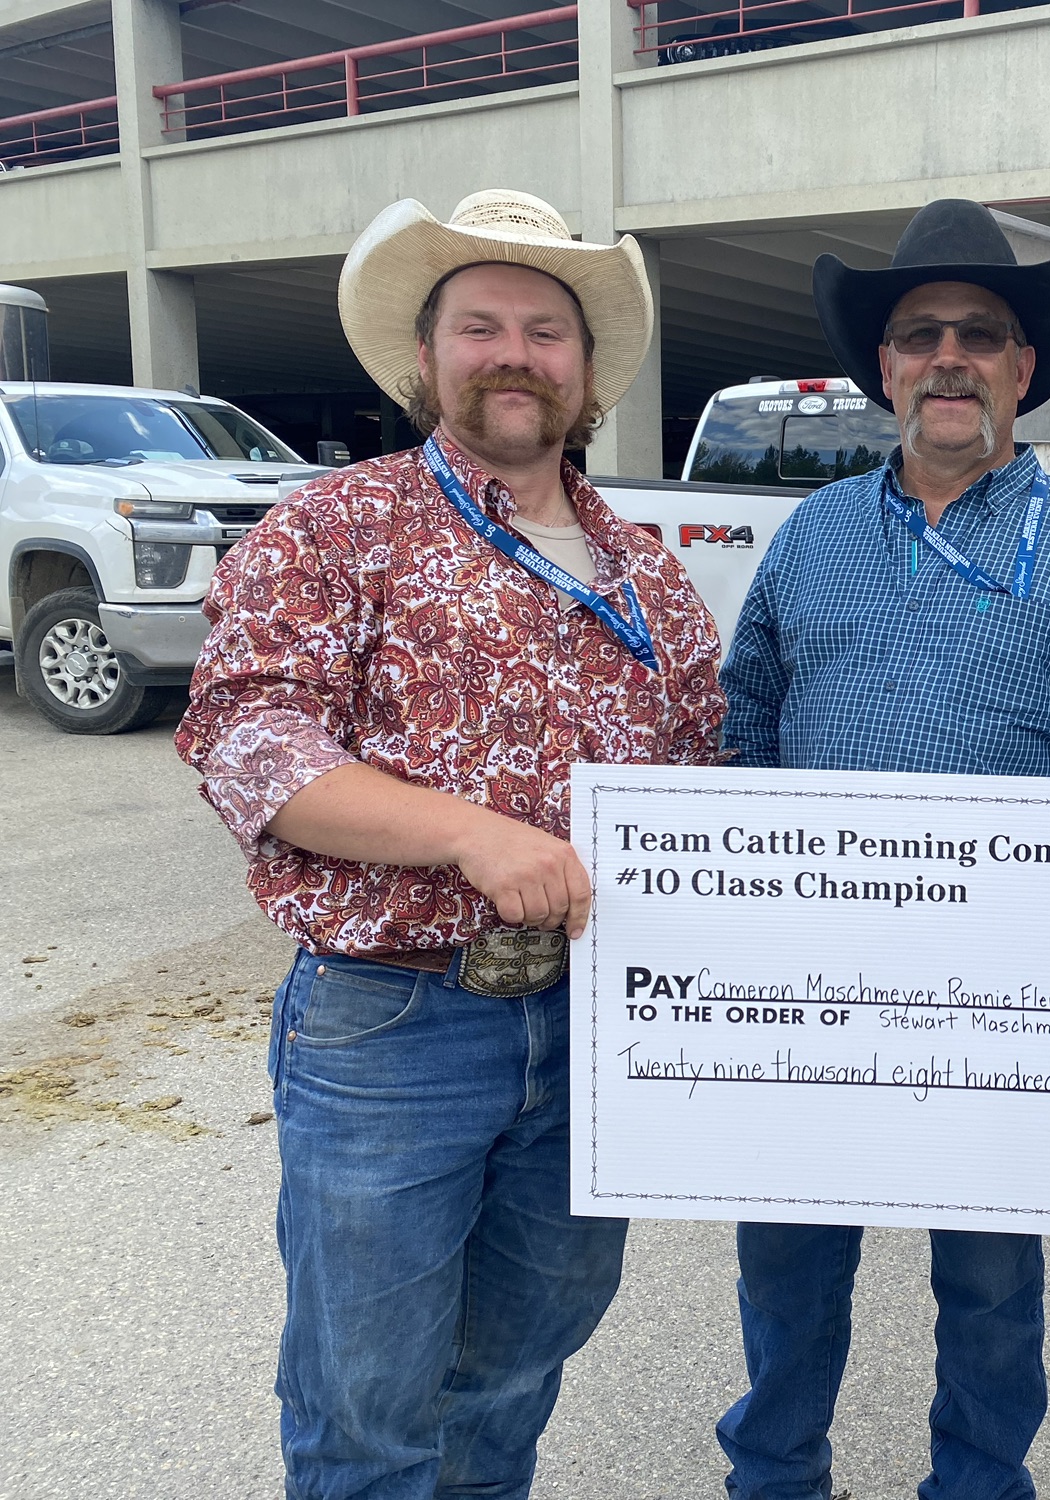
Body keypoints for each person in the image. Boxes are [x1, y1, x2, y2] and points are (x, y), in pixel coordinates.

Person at [176, 189, 727, 1499]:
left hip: (594, 1028)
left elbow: (705, 786)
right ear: (425, 358)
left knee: (518, 1369)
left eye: (546, 330)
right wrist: (473, 837)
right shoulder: (332, 528)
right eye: (480, 326)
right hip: (395, 1027)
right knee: (367, 1402)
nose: (513, 354)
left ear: (583, 370)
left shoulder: (650, 575)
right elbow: (247, 739)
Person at [716, 197, 1050, 1500]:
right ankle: (775, 1479)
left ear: (1024, 368)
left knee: (988, 1285)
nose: (950, 357)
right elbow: (747, 719)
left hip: (1002, 994)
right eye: (922, 335)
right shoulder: (811, 538)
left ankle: (979, 1484)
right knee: (788, 1267)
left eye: (981, 334)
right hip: (811, 987)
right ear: (886, 367)